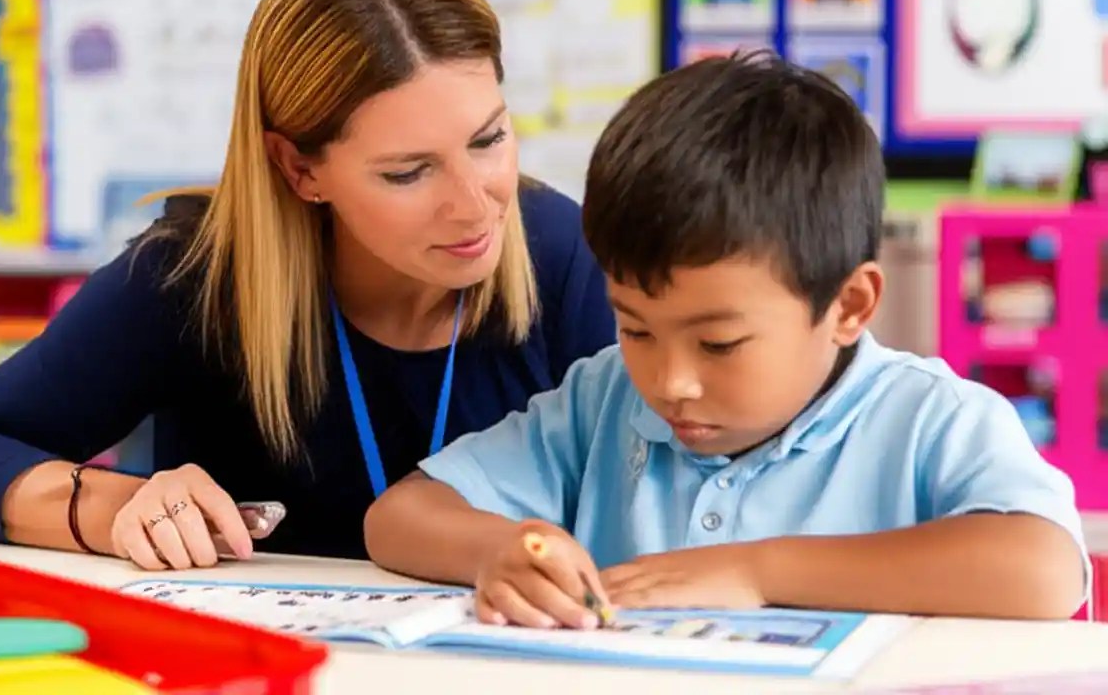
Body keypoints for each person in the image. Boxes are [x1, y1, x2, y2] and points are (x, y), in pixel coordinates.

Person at [0, 0, 615, 570]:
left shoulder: (563, 253)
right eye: (408, 172)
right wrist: (119, 508)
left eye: (489, 138)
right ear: (299, 169)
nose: (473, 205)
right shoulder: (194, 275)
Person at [364, 52, 1089, 627]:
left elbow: (1044, 569)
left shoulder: (929, 419)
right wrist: (502, 551)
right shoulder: (603, 402)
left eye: (718, 345)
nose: (670, 380)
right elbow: (399, 517)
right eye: (636, 327)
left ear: (850, 305)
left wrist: (758, 571)